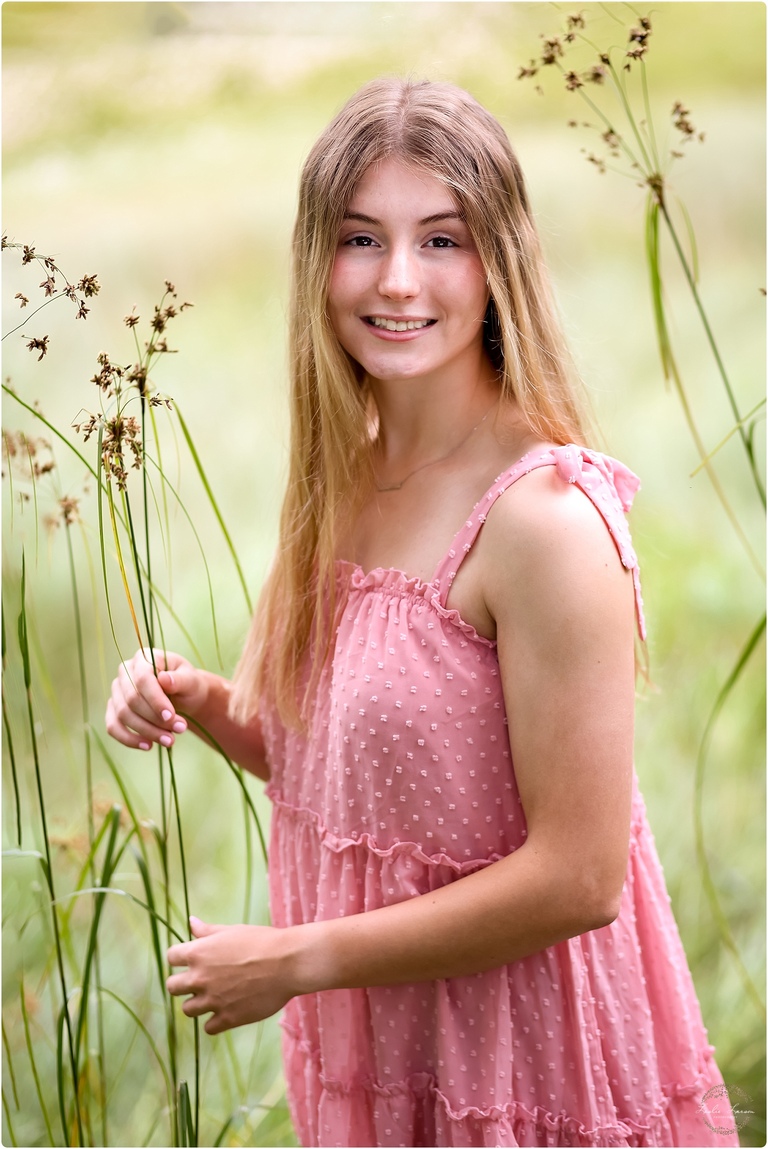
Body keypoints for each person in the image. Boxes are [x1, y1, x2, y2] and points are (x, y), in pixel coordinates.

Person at [106, 79, 738, 1148]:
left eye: (441, 240)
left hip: (522, 1057)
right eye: (362, 238)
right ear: (318, 261)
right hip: (386, 1046)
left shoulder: (544, 521)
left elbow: (579, 878)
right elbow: (380, 790)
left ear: (502, 261)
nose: (398, 281)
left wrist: (293, 957)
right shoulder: (341, 485)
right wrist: (203, 698)